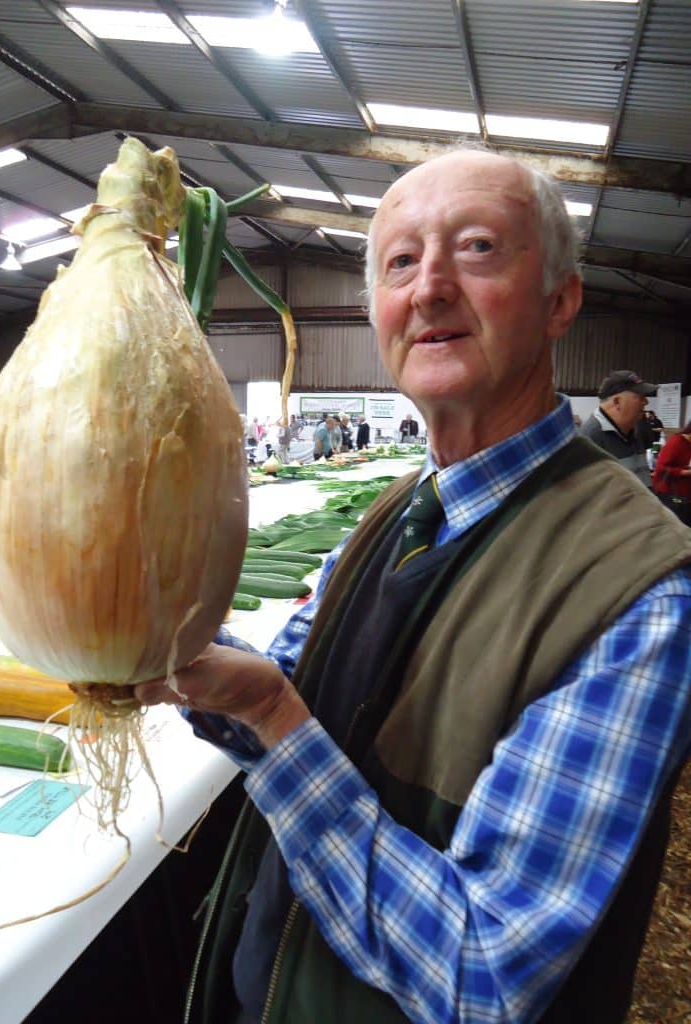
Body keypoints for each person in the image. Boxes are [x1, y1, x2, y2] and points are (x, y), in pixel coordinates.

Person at [137, 148, 691, 1024]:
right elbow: (280, 684)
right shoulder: (397, 510)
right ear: (377, 312)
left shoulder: (638, 590)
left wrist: (276, 722)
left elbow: (485, 973)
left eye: (475, 249)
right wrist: (146, 619)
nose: (429, 287)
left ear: (560, 302)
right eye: (400, 261)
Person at [579, 371, 657, 485]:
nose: (646, 402)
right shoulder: (589, 442)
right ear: (617, 402)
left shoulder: (632, 431)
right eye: (640, 397)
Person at [651, 420, 691, 526]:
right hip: (673, 493)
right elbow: (661, 467)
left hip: (686, 493)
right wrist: (684, 472)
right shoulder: (677, 442)